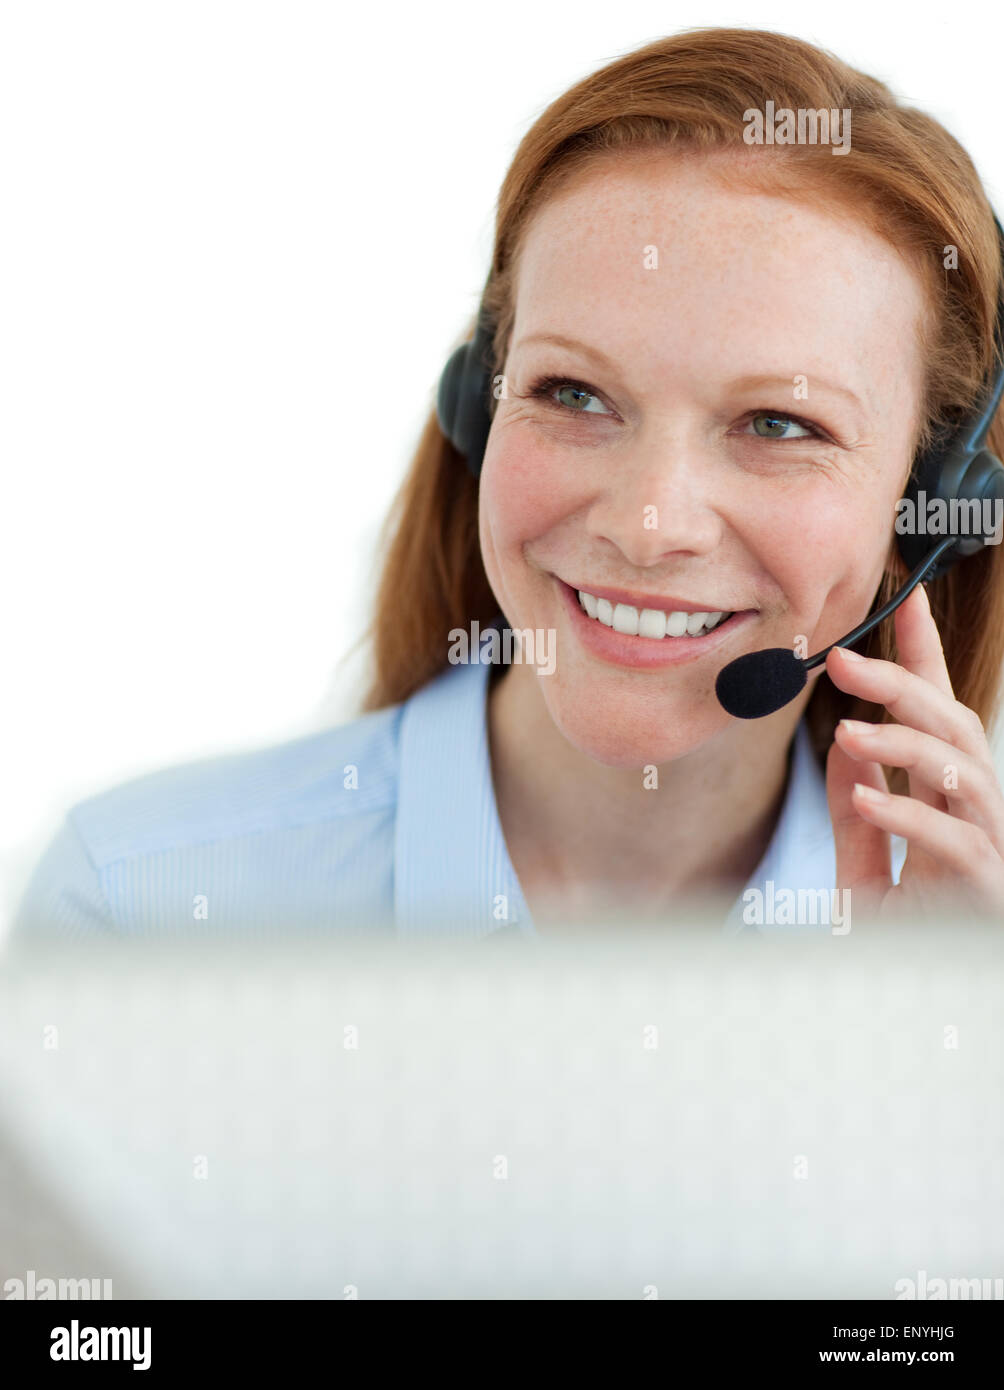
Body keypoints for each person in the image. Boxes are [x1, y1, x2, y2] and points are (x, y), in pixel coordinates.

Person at [11, 27, 1004, 944]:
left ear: (925, 501)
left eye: (779, 424)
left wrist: (924, 1043)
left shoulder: (953, 947)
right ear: (479, 410)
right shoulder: (139, 909)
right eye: (573, 392)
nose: (647, 525)